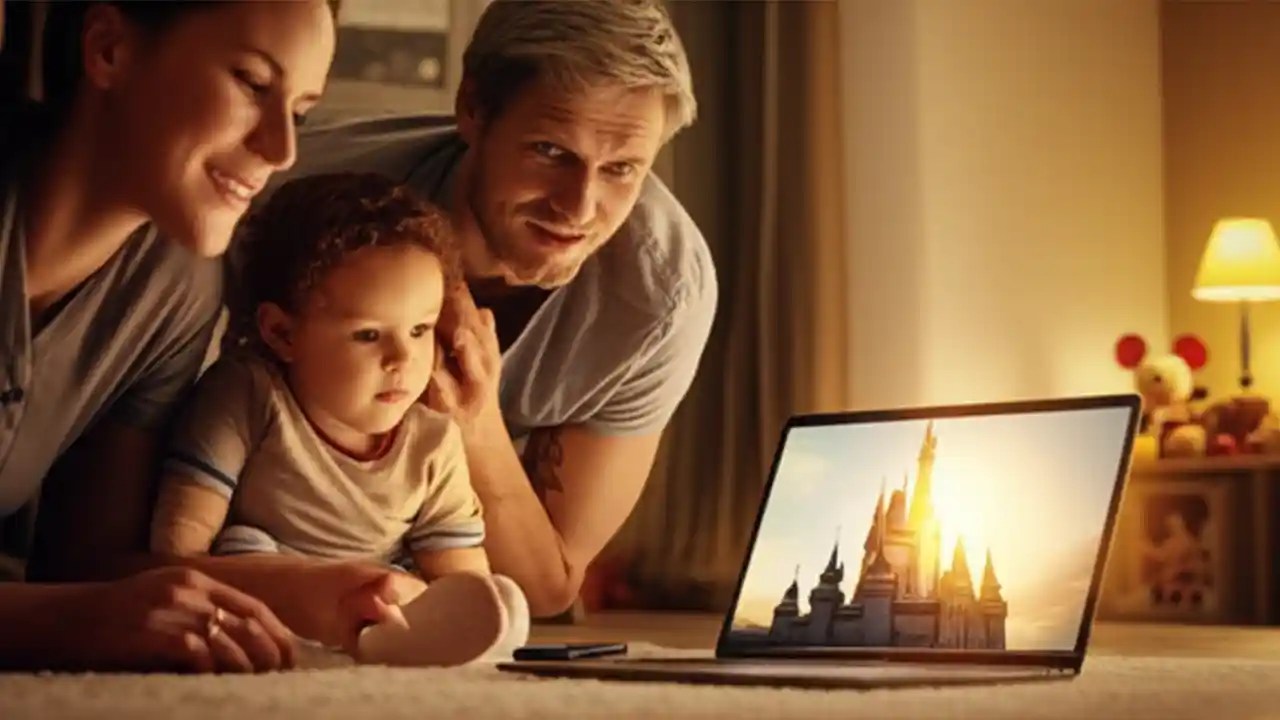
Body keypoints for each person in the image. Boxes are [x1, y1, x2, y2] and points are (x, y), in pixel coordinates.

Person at [248, 0, 718, 618]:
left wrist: (474, 422)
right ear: (472, 108)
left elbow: (550, 586)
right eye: (551, 152)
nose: (579, 208)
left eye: (623, 169)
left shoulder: (661, 295)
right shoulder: (290, 198)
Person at [0, 1, 424, 674]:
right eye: (254, 85)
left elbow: (81, 558)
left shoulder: (178, 284)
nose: (282, 150)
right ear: (109, 49)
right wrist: (62, 620)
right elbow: (76, 601)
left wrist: (304, 588)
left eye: (302, 110)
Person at [150, 172, 528, 666]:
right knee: (241, 548)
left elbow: (460, 575)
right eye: (369, 335)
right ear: (283, 333)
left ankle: (384, 634)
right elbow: (178, 548)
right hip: (271, 578)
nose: (402, 358)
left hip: (380, 587)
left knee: (500, 600)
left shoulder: (432, 440)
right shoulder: (249, 395)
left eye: (419, 330)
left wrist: (468, 606)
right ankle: (322, 636)